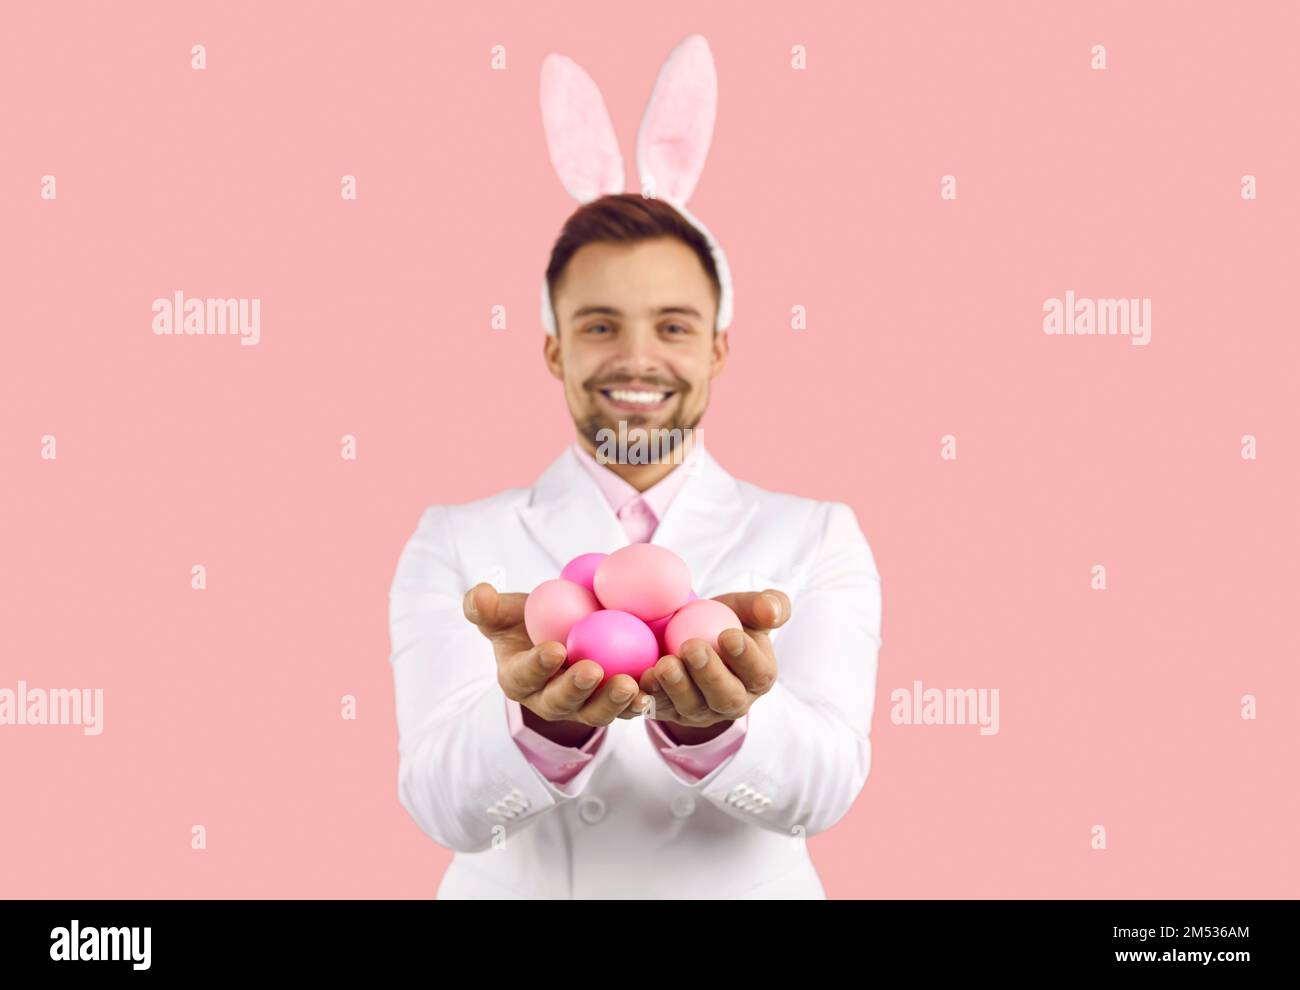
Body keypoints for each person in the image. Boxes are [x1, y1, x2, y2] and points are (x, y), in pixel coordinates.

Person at [386, 36, 882, 899]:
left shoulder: (816, 535)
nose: (637, 359)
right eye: (601, 324)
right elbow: (438, 805)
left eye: (675, 325)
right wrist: (540, 721)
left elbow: (828, 789)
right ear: (554, 349)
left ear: (720, 348)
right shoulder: (456, 541)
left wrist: (718, 730)